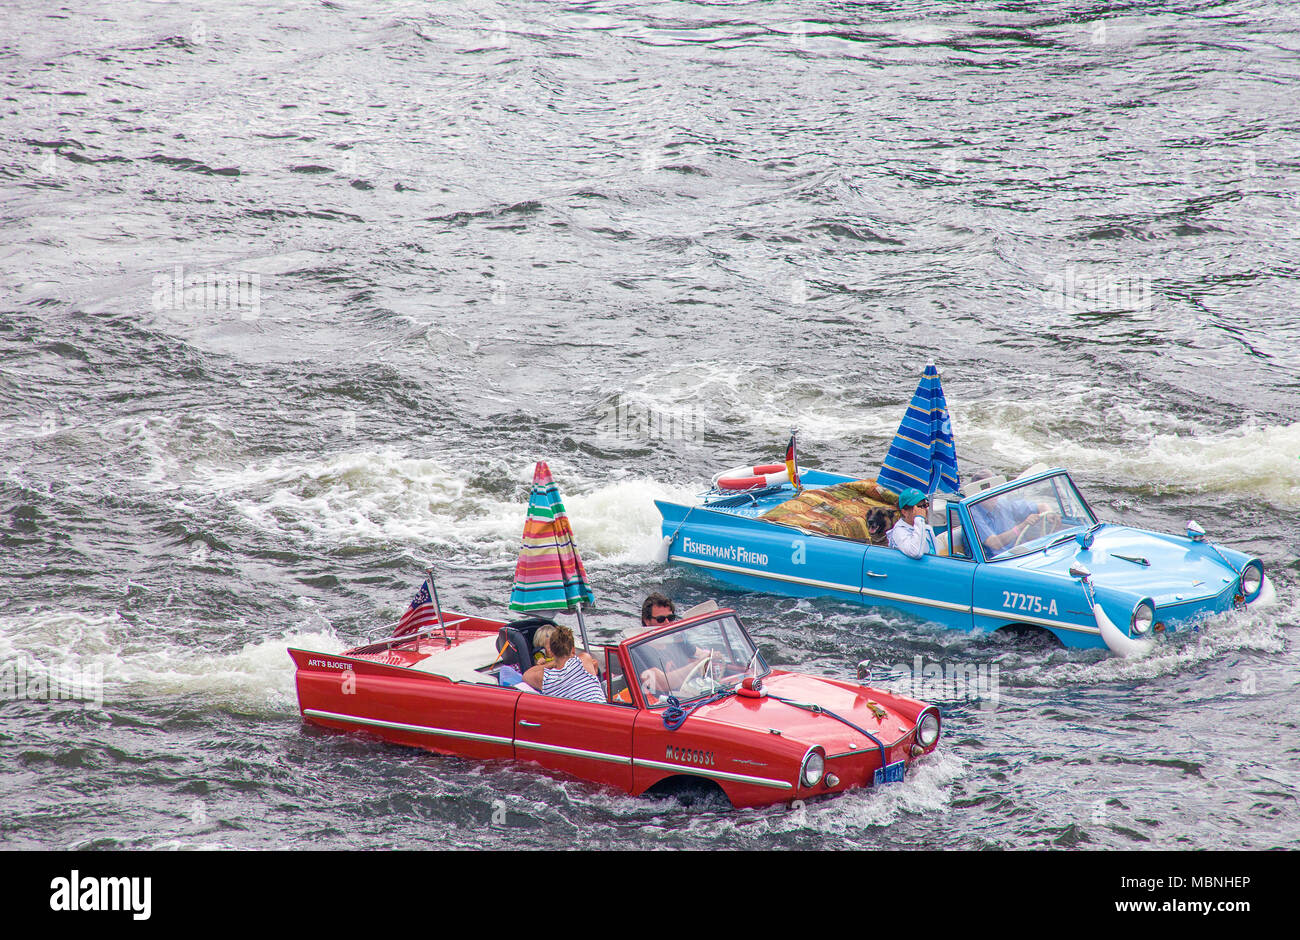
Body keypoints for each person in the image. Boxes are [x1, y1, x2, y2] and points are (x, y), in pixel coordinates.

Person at [523, 624, 606, 703]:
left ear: (551, 652)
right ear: (573, 650)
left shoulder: (546, 678)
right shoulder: (584, 659)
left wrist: (552, 663)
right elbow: (594, 664)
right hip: (602, 711)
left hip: (575, 716)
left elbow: (526, 675)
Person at [531, 624, 599, 678]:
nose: (553, 649)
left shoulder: (566, 655)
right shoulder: (540, 654)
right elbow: (538, 664)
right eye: (550, 647)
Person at [888, 488, 937, 559]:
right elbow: (916, 553)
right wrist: (919, 518)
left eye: (925, 505)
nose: (923, 510)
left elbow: (935, 555)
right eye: (919, 507)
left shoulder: (927, 529)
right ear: (904, 512)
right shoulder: (899, 531)